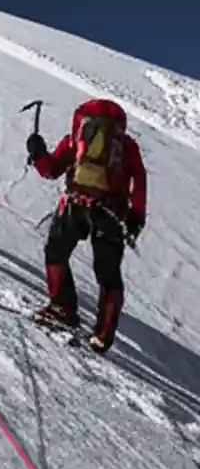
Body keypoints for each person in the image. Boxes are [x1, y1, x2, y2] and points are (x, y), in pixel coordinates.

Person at [27, 98, 147, 353]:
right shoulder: (126, 147)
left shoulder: (75, 140)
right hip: (110, 212)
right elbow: (139, 179)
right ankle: (103, 334)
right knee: (107, 271)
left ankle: (62, 308)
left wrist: (37, 152)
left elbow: (51, 170)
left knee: (56, 252)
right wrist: (136, 216)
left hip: (75, 205)